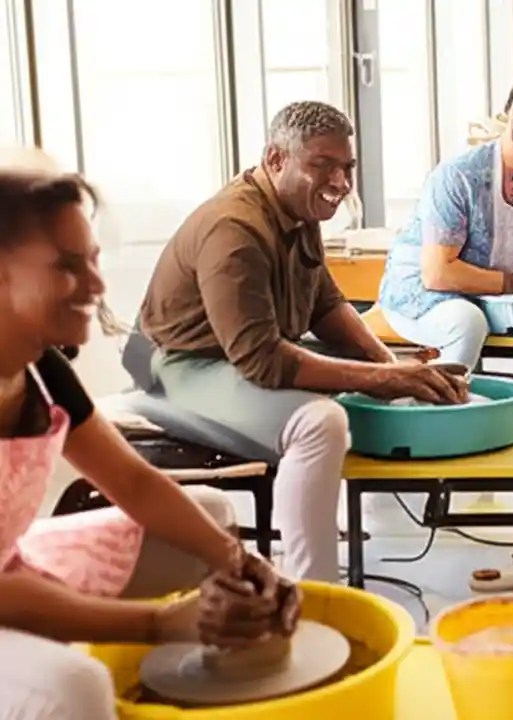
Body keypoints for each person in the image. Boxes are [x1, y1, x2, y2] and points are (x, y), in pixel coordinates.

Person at [0, 169, 299, 719]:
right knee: (76, 686)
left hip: (12, 567)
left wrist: (242, 562)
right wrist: (159, 625)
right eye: (68, 266)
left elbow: (134, 481)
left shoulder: (40, 369)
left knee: (209, 515)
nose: (95, 286)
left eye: (92, 260)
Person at [136, 101, 467, 583]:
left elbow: (326, 307)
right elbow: (263, 362)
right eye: (322, 165)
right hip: (180, 371)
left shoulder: (298, 210)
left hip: (240, 359)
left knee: (389, 377)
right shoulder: (235, 230)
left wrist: (394, 367)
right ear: (275, 159)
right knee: (321, 422)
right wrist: (385, 377)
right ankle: (314, 591)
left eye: (346, 167)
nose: (340, 181)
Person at [379, 81, 513, 368]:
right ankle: (441, 408)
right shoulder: (459, 177)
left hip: (493, 297)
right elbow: (437, 273)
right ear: (506, 115)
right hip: (424, 295)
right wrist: (512, 282)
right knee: (468, 321)